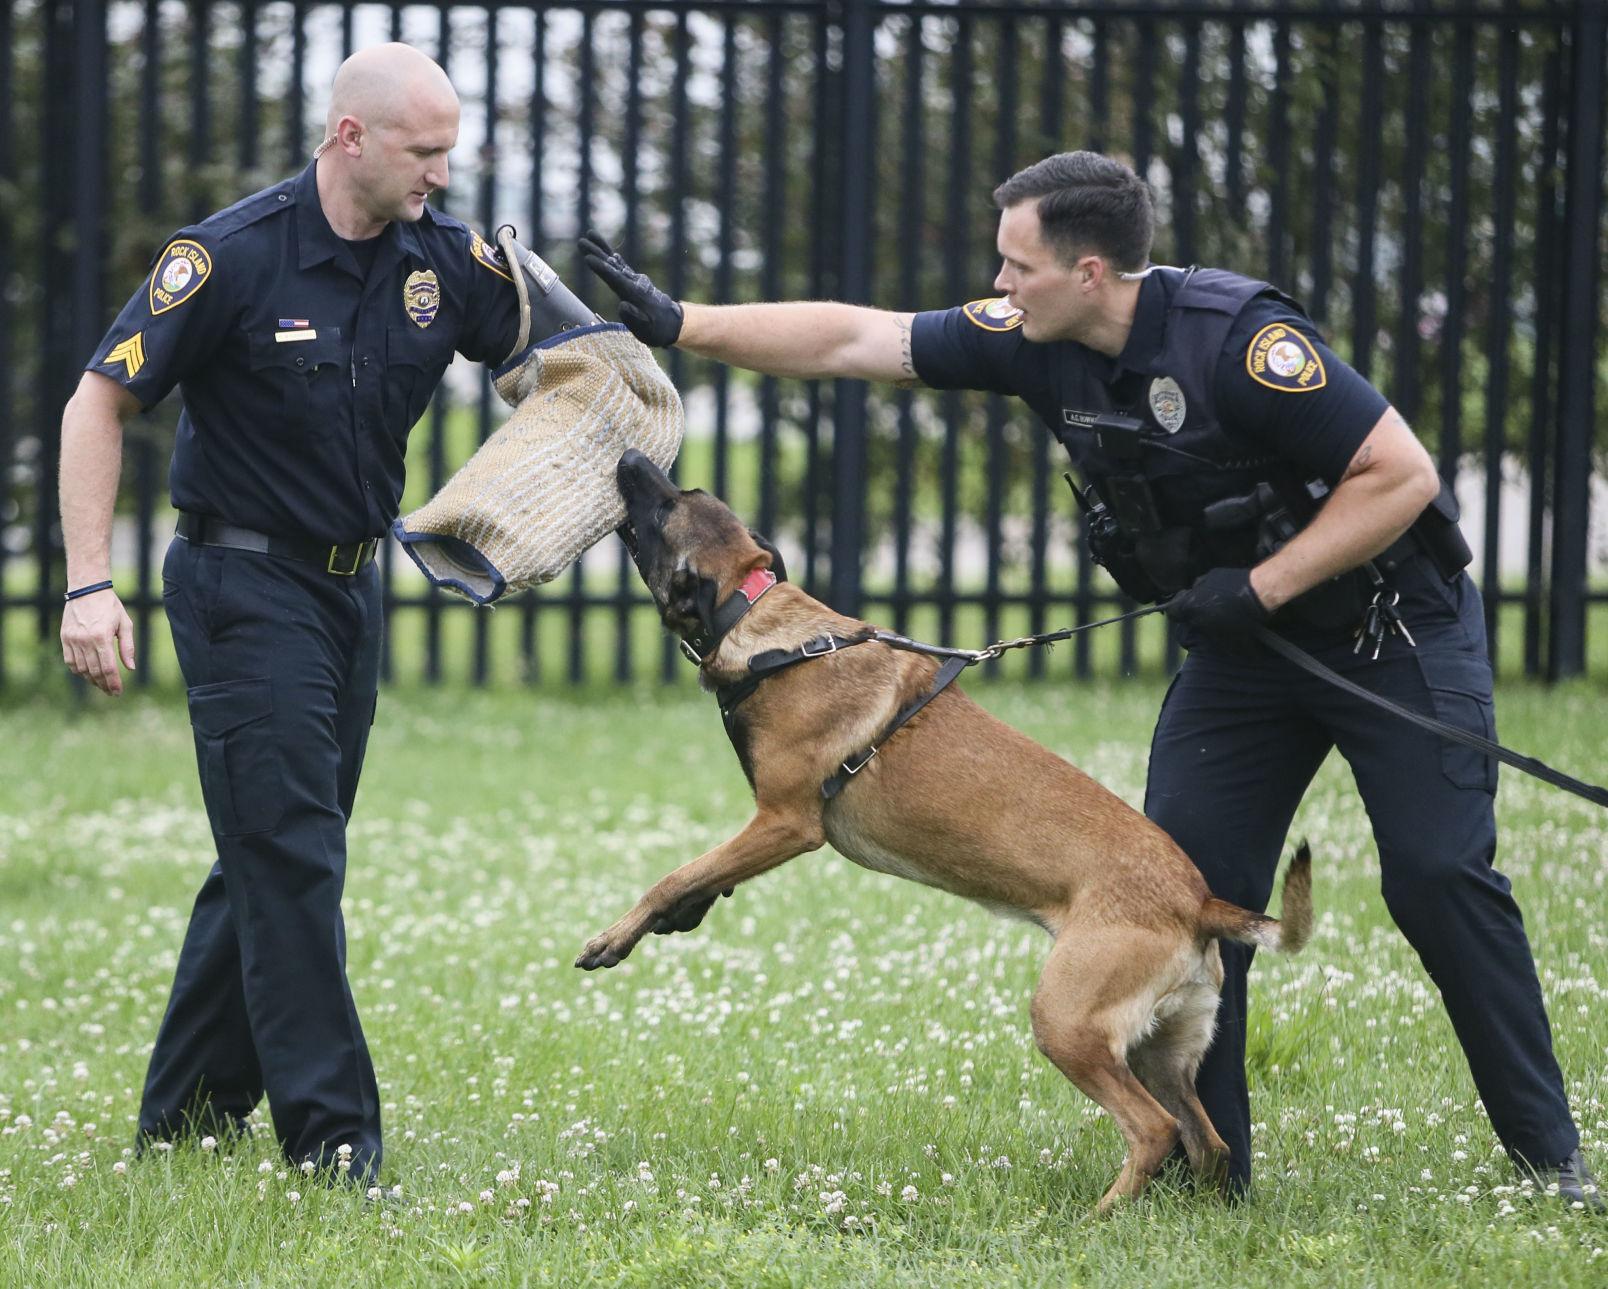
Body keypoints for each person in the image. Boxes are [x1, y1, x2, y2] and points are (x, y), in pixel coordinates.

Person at [577, 150, 1599, 1208]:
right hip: (1245, 653)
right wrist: (683, 321)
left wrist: (1264, 583)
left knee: (1437, 876)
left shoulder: (1241, 345)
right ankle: (1209, 1175)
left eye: (1018, 265)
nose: (999, 284)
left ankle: (1549, 1154)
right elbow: (857, 337)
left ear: (1091, 271)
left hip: (1388, 627)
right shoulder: (1034, 335)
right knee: (1182, 886)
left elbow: (1401, 475)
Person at [59, 43, 536, 1184]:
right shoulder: (229, 256)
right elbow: (98, 400)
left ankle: (185, 1118)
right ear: (350, 137)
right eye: (424, 151)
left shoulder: (441, 259)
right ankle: (335, 1146)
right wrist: (87, 582)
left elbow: (550, 352)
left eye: (451, 151)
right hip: (242, 582)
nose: (442, 173)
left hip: (350, 587)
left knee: (269, 852)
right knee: (291, 851)